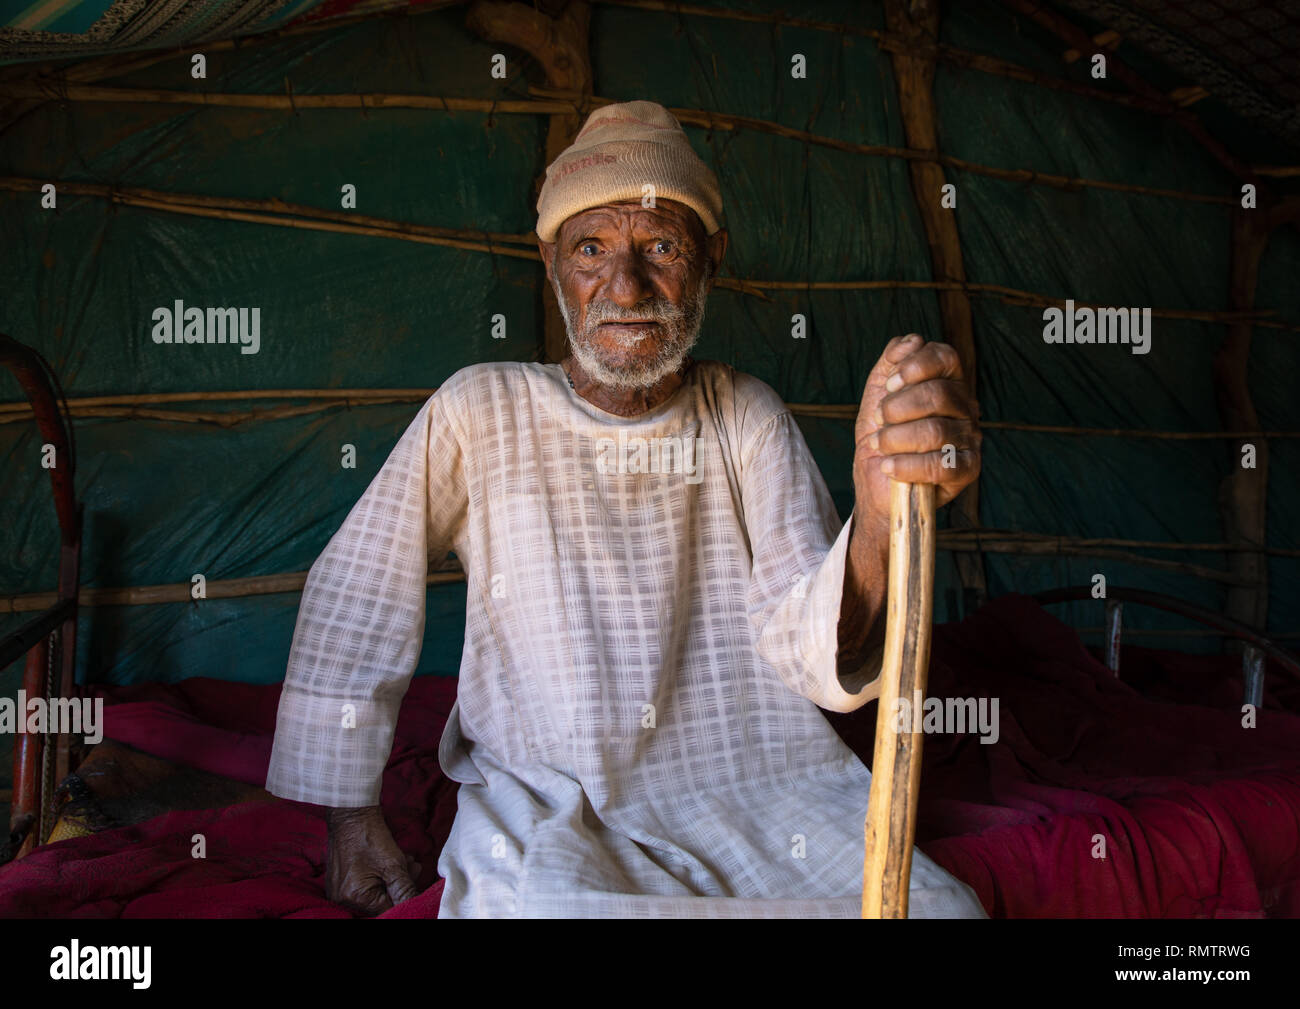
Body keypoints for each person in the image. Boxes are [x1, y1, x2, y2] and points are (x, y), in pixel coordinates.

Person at [266, 100, 986, 918]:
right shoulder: (480, 408)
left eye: (662, 247)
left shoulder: (746, 413)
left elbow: (811, 642)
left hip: (759, 791)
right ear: (551, 264)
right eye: (592, 250)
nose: (627, 286)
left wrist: (882, 516)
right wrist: (350, 817)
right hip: (550, 802)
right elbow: (360, 589)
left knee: (939, 914)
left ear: (711, 258)